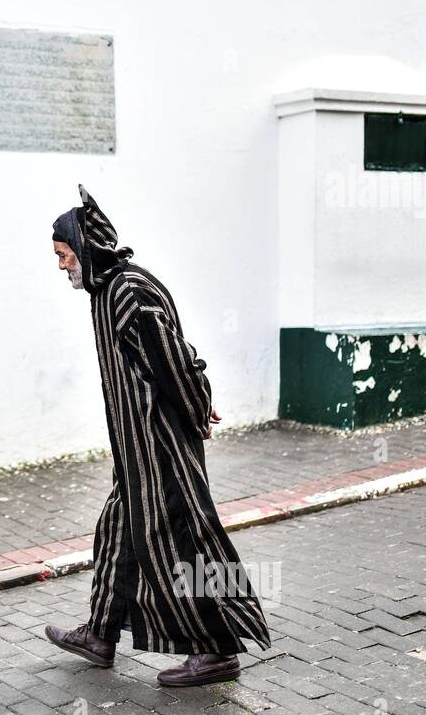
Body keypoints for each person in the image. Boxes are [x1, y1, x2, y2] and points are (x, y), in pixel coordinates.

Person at [45, 185, 272, 687]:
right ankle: (100, 633)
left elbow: (173, 358)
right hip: (135, 449)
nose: (61, 266)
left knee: (188, 541)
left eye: (63, 255)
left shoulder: (128, 291)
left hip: (162, 444)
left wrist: (197, 404)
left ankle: (218, 651)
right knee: (120, 532)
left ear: (85, 247)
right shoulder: (105, 292)